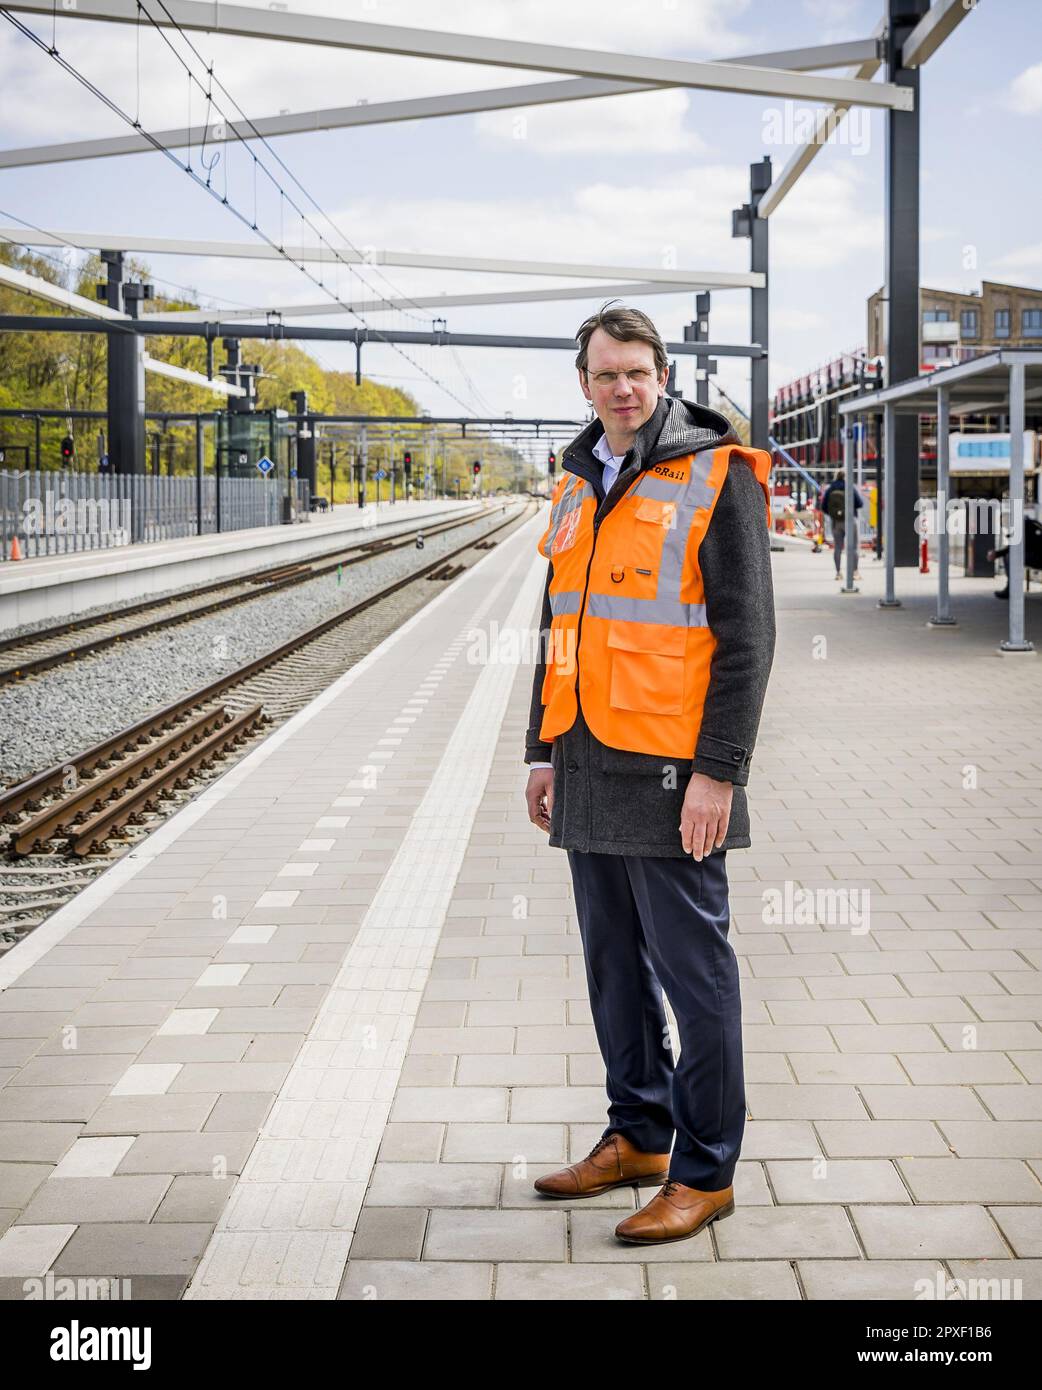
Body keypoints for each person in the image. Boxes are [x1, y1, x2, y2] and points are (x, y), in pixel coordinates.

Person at [523, 303, 776, 1245]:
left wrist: (721, 773)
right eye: (605, 374)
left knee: (694, 975)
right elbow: (561, 626)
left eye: (637, 371)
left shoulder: (717, 475)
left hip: (676, 775)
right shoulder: (574, 481)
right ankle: (638, 1133)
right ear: (583, 384)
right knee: (612, 969)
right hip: (587, 761)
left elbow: (749, 638)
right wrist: (540, 751)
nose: (622, 388)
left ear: (661, 374)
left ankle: (706, 1172)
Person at [820, 470, 863, 579]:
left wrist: (835, 514)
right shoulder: (850, 487)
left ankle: (838, 573)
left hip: (836, 522)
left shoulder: (830, 489)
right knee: (853, 547)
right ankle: (855, 572)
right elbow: (860, 503)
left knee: (838, 547)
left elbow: (823, 507)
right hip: (851, 520)